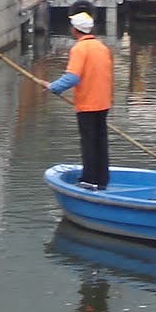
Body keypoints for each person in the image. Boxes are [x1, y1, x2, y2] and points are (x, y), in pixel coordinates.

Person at [47, 11, 113, 190]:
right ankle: (101, 179)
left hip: (88, 103)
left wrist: (53, 87)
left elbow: (72, 77)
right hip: (103, 101)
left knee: (89, 142)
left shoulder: (79, 49)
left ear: (75, 30)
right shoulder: (102, 47)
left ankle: (89, 180)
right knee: (100, 141)